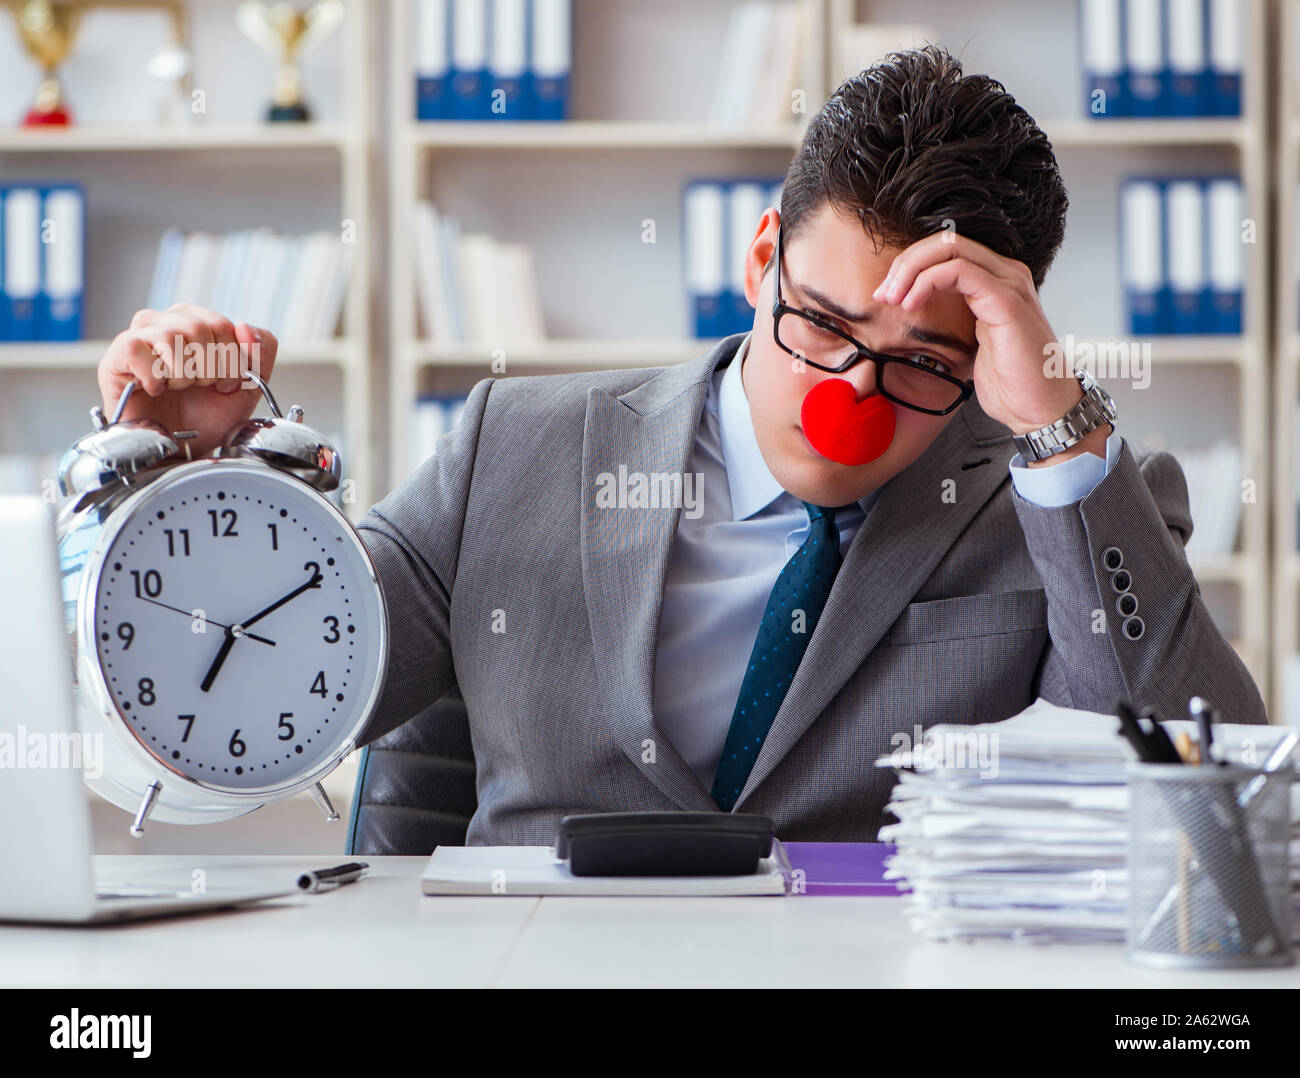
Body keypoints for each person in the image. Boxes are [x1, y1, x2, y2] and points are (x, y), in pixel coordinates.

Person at [95, 45, 1266, 845]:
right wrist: (195, 491)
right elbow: (250, 703)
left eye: (920, 360)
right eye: (821, 324)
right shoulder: (513, 448)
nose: (847, 397)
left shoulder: (1066, 499)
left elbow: (1198, 810)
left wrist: (1057, 429)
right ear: (760, 261)